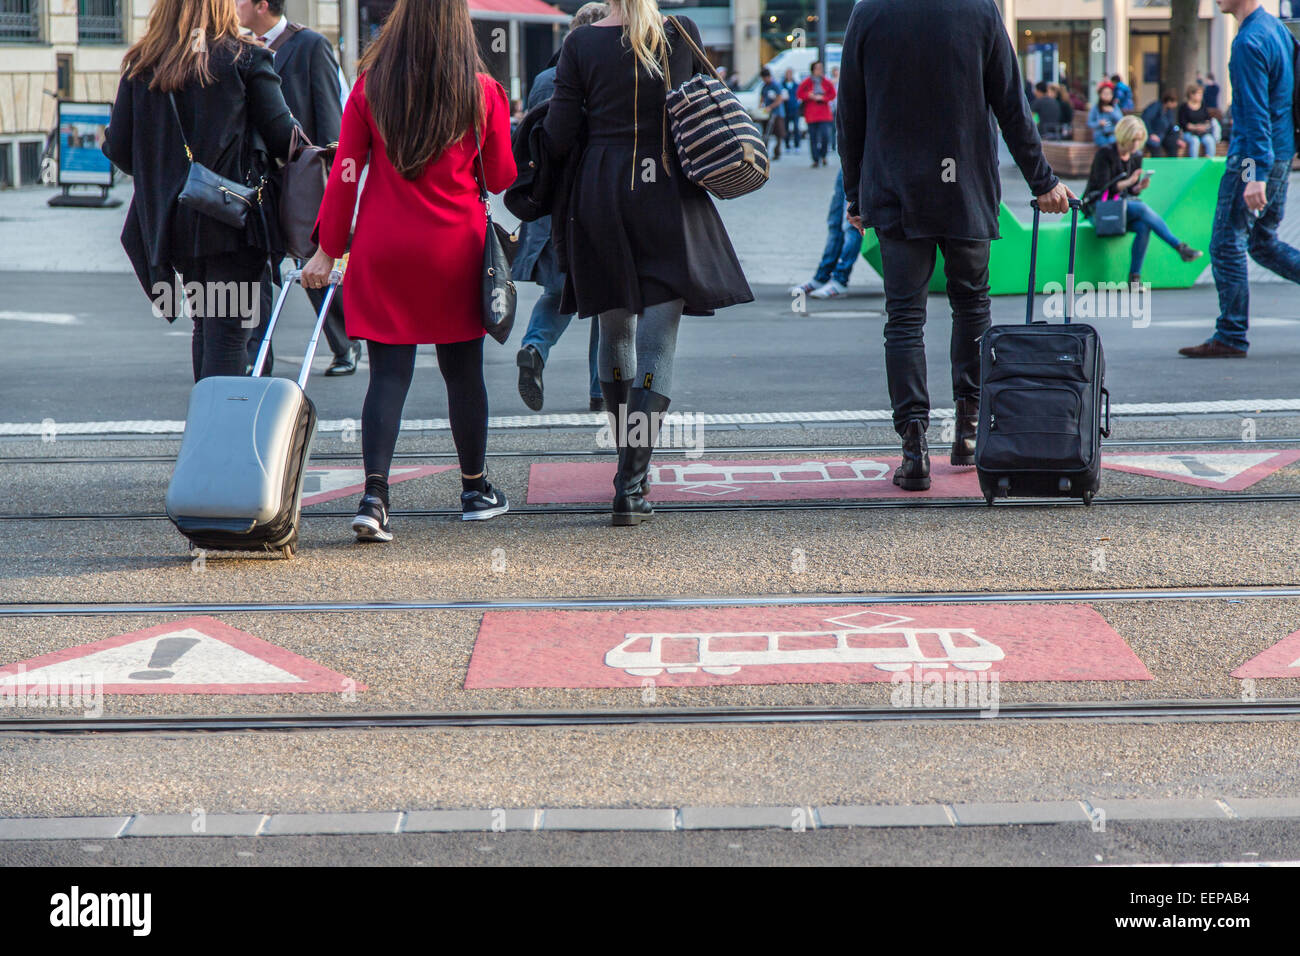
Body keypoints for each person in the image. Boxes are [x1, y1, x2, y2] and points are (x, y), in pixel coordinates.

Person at [838, 0, 1074, 491]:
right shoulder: (979, 9)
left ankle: (914, 447)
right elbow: (1011, 104)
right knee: (971, 304)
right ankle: (968, 433)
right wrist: (1042, 180)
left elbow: (850, 112)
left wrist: (854, 194)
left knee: (904, 317)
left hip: (896, 188)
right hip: (964, 185)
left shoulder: (869, 11)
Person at [302, 0, 516, 541]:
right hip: (455, 252)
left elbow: (345, 174)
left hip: (385, 250)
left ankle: (375, 498)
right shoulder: (481, 91)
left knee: (387, 377)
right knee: (464, 374)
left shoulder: (372, 87)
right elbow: (500, 176)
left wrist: (329, 247)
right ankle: (474, 489)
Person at [543, 0, 752, 525]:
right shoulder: (679, 34)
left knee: (615, 334)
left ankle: (624, 464)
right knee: (658, 339)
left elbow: (559, 134)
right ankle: (631, 485)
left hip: (600, 192)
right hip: (664, 193)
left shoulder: (580, 44)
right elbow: (701, 104)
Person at [103, 0, 296, 382]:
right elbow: (282, 138)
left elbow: (120, 149)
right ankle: (218, 436)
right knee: (226, 335)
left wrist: (167, 173)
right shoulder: (243, 58)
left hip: (173, 225)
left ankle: (210, 430)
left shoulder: (144, 64)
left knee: (206, 325)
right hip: (232, 222)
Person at [235, 0, 361, 378]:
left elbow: (330, 119)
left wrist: (331, 178)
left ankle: (345, 342)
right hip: (258, 181)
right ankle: (256, 358)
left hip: (300, 178)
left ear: (261, 5)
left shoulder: (310, 45)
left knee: (312, 265)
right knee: (260, 268)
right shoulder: (241, 49)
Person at [1180, 0, 1300, 359]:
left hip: (1253, 160)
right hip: (1280, 153)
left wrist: (1254, 175)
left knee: (1225, 243)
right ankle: (1231, 332)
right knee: (1262, 242)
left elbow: (1253, 117)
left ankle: (1231, 335)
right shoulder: (1277, 30)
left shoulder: (1248, 42)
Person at [514, 2, 607, 414]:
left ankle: (534, 348)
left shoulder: (543, 79)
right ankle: (602, 389)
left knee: (557, 289)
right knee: (610, 301)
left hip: (549, 204)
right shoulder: (597, 72)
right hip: (593, 200)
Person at [1083, 116, 1203, 286]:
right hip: (1099, 209)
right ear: (1124, 136)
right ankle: (1179, 247)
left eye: (1139, 140)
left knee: (1144, 226)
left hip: (1120, 208)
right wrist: (1129, 182)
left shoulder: (1136, 156)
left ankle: (1134, 278)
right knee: (1141, 209)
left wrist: (1137, 188)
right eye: (1133, 139)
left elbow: (1128, 192)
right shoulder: (1105, 153)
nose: (1136, 144)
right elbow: (1103, 187)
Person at [790, 169, 862, 300]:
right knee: (835, 222)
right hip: (846, 161)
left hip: (861, 162)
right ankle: (822, 276)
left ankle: (840, 279)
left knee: (851, 224)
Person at [797, 61, 836, 167]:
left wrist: (823, 98)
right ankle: (815, 159)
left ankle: (823, 155)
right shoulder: (807, 82)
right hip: (811, 114)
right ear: (813, 70)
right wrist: (809, 96)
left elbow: (833, 94)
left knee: (825, 136)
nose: (820, 70)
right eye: (818, 68)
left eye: (821, 68)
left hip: (824, 113)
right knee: (813, 137)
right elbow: (799, 94)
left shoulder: (826, 82)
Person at [1178, 83, 1218, 157]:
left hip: (1202, 132)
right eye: (1199, 94)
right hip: (1189, 133)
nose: (1201, 96)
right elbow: (1183, 123)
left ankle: (1209, 160)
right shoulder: (1184, 107)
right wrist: (1196, 127)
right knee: (1195, 141)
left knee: (1210, 140)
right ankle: (1194, 162)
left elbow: (1208, 120)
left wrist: (1204, 126)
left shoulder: (1202, 105)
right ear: (1191, 95)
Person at [1141, 90, 1182, 156]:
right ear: (1169, 101)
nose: (1175, 105)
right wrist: (1151, 133)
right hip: (1152, 134)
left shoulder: (1169, 112)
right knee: (1155, 146)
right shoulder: (1155, 107)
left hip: (1164, 135)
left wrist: (1177, 138)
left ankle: (1172, 165)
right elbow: (1146, 120)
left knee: (1173, 144)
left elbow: (1172, 126)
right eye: (1174, 102)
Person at [758, 67, 786, 160]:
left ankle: (777, 152)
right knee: (766, 133)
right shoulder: (764, 86)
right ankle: (765, 152)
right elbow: (762, 98)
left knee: (778, 134)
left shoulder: (776, 85)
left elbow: (779, 99)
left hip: (777, 113)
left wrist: (770, 107)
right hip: (767, 114)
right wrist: (760, 107)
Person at [782, 67, 802, 153]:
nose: (789, 75)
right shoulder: (782, 84)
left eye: (790, 73)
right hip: (786, 108)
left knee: (796, 127)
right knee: (786, 128)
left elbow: (799, 95)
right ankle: (787, 145)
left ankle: (797, 145)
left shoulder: (796, 85)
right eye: (787, 73)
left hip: (795, 109)